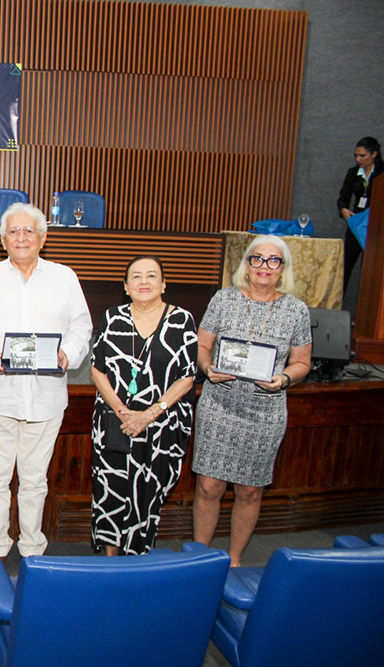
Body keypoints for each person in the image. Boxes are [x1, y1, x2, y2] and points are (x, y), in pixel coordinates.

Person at [0, 202, 93, 559]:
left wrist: (67, 354)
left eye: (29, 231)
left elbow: (81, 326)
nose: (21, 237)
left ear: (43, 238)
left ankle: (32, 548)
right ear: (2, 240)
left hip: (46, 397)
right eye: (13, 231)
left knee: (35, 480)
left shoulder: (64, 277)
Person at [192, 235, 312, 566]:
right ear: (246, 265)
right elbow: (202, 347)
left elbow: (303, 362)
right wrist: (207, 368)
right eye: (257, 259)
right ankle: (200, 558)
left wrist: (285, 378)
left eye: (274, 260)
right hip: (219, 404)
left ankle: (234, 559)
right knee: (209, 486)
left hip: (265, 410)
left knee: (249, 490)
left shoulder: (295, 310)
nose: (264, 266)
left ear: (282, 269)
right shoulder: (223, 300)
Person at [90, 256, 197, 555]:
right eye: (136, 276)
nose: (144, 282)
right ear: (125, 286)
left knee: (146, 495)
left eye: (152, 276)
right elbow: (97, 369)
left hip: (161, 425)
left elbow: (187, 377)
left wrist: (149, 414)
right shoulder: (113, 317)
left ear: (164, 284)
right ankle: (109, 561)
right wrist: (123, 411)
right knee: (109, 490)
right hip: (114, 420)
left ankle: (136, 562)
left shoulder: (181, 321)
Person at [337, 136, 382, 292]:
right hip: (356, 224)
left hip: (377, 227)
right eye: (356, 155)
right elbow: (343, 198)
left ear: (374, 154)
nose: (358, 159)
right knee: (346, 265)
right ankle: (336, 306)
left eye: (362, 156)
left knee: (370, 268)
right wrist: (343, 210)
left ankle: (367, 312)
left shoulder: (382, 172)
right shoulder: (353, 172)